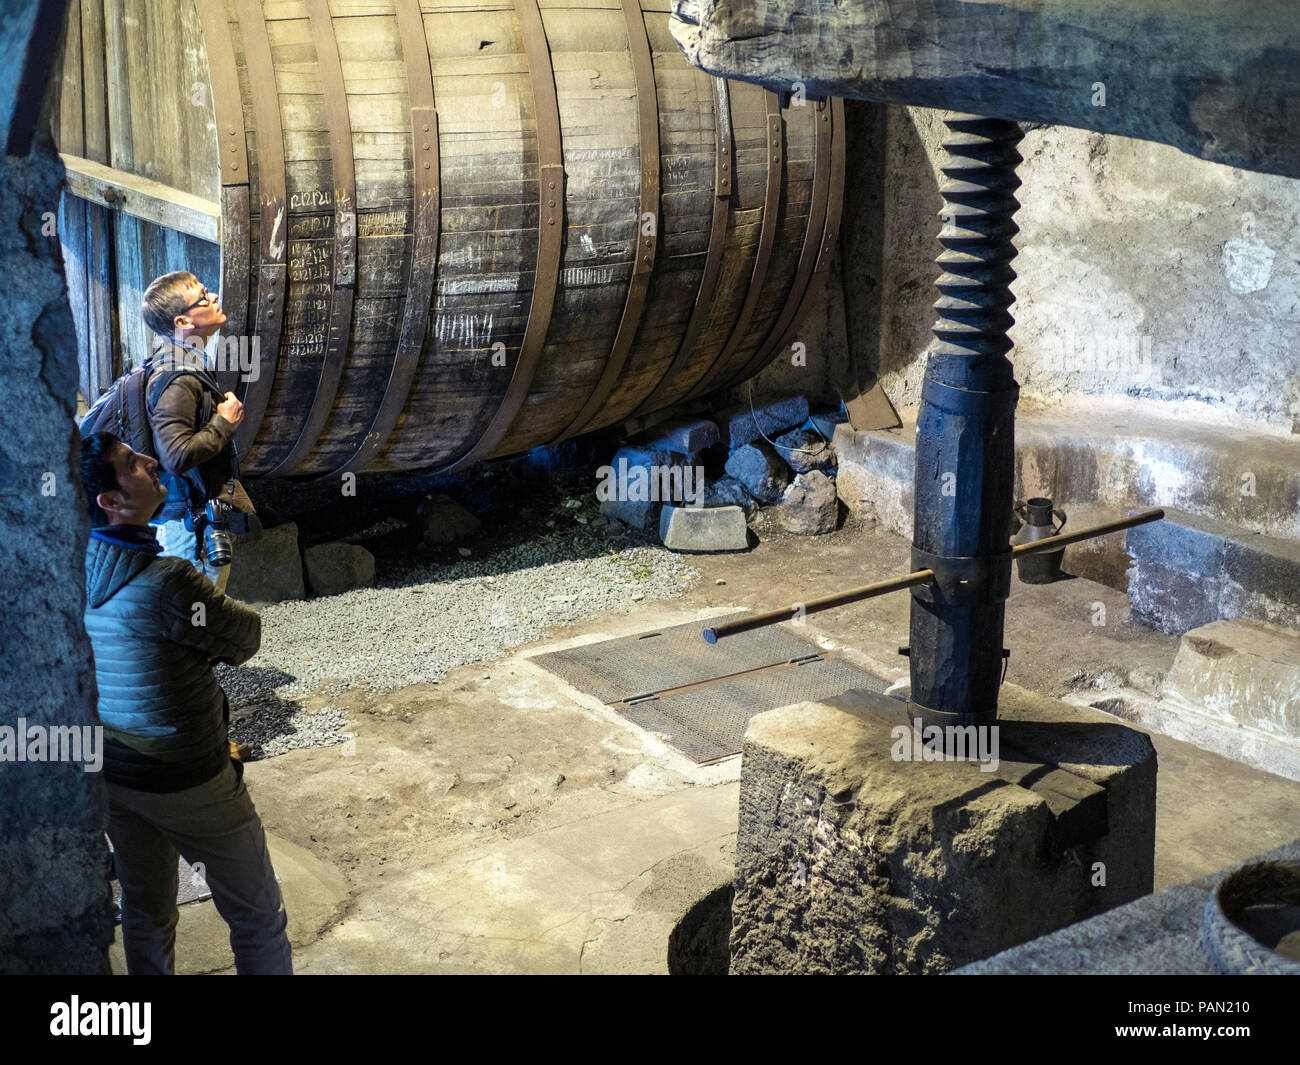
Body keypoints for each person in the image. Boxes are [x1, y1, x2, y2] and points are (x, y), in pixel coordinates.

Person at [80, 431, 292, 975]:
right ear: (111, 501)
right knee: (257, 914)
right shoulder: (168, 580)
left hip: (116, 775)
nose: (151, 460)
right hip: (189, 778)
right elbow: (245, 638)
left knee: (148, 910)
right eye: (131, 463)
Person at [139, 270, 254, 595]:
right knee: (192, 629)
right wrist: (225, 422)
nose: (214, 297)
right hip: (185, 530)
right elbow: (175, 456)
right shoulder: (179, 378)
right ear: (183, 322)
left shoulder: (185, 362)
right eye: (204, 297)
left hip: (187, 523)